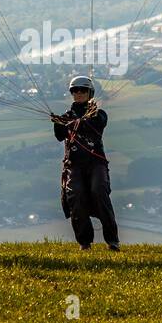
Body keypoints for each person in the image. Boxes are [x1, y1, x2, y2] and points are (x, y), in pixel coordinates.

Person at [51, 75, 120, 251]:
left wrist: (70, 123)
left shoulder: (99, 114)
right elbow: (60, 136)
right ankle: (85, 242)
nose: (79, 93)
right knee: (76, 196)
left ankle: (112, 241)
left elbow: (93, 125)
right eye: (75, 90)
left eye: (82, 90)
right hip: (74, 164)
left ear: (90, 93)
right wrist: (59, 124)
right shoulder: (65, 117)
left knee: (99, 192)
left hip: (96, 163)